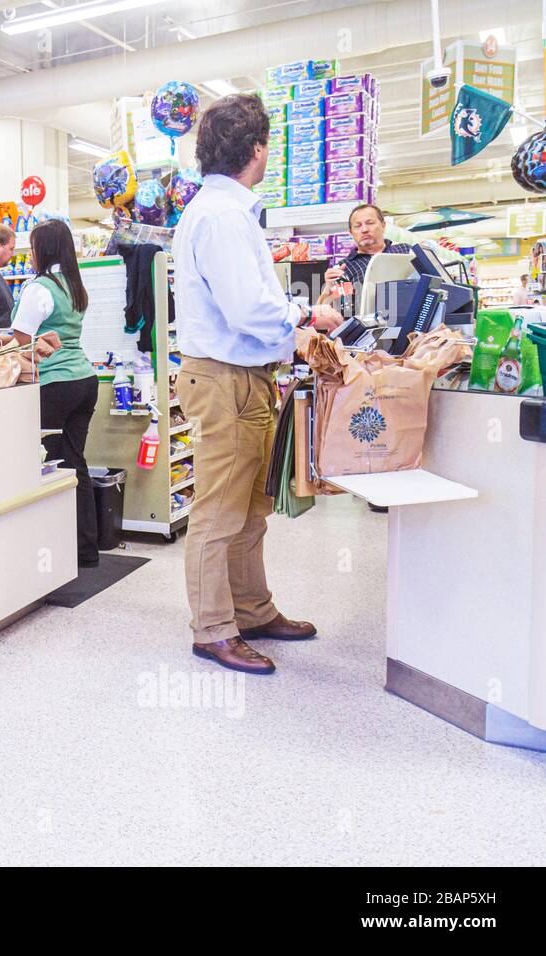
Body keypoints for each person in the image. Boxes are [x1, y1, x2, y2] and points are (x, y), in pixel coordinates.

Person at [173, 93, 344, 676]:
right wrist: (304, 320)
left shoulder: (228, 212)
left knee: (251, 507)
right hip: (223, 380)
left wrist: (289, 321)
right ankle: (212, 629)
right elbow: (249, 308)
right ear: (257, 150)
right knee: (219, 512)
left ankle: (250, 608)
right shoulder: (221, 216)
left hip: (243, 378)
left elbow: (250, 300)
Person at [8, 219, 100, 568]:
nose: (29, 255)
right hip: (84, 379)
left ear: (41, 249)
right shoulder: (74, 285)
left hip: (53, 382)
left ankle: (49, 548)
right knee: (75, 463)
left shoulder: (39, 287)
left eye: (31, 248)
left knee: (46, 466)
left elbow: (19, 339)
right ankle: (85, 548)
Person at [316, 203, 411, 308]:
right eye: (357, 226)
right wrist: (329, 287)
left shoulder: (405, 250)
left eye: (370, 223)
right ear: (351, 232)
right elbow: (335, 312)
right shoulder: (344, 269)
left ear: (383, 225)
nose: (364, 229)